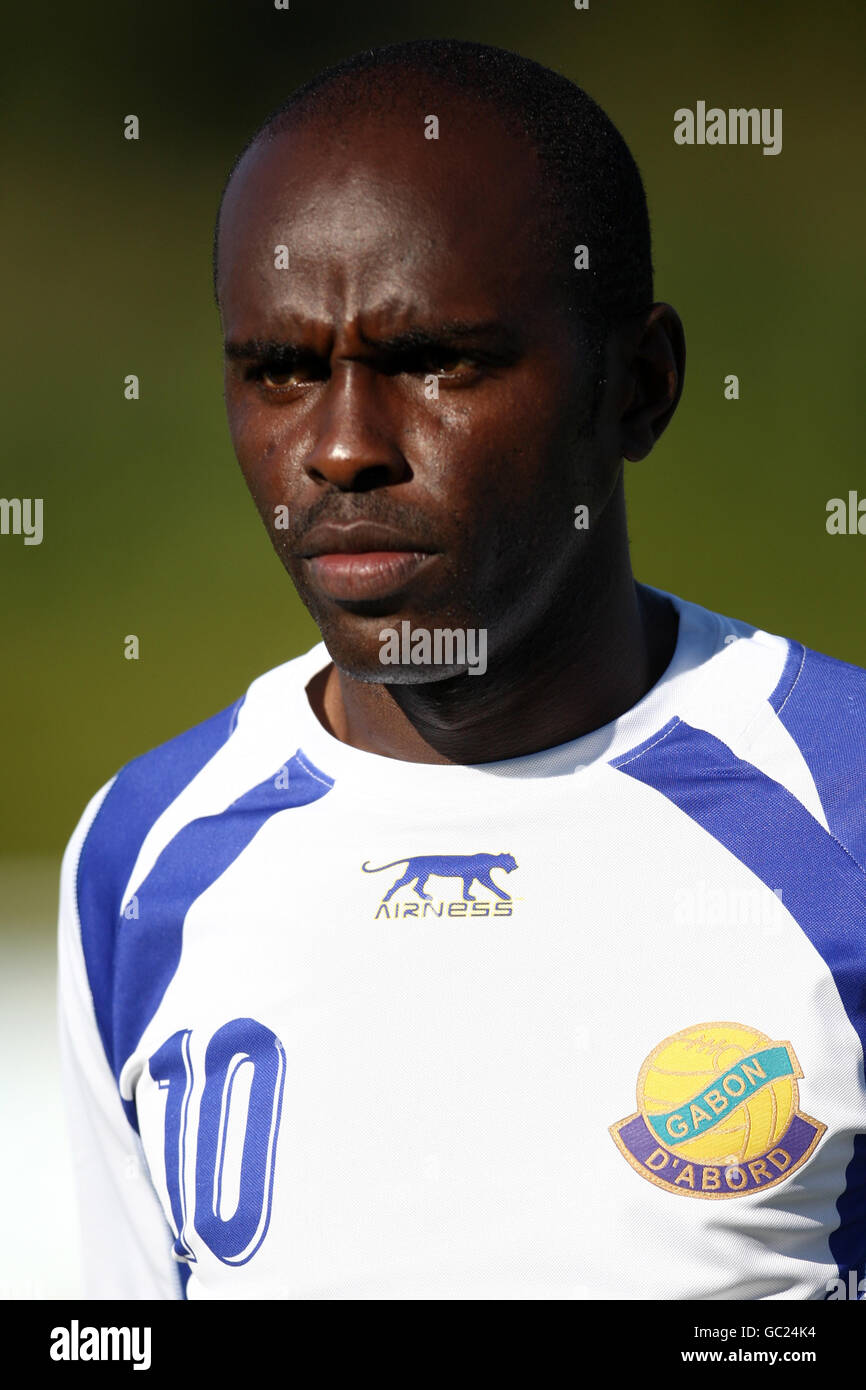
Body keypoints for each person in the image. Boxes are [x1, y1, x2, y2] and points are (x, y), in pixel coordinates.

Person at [58, 38, 866, 1300]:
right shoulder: (145, 853)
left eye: (434, 360)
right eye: (278, 369)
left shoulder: (841, 806)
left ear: (638, 386)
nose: (338, 448)